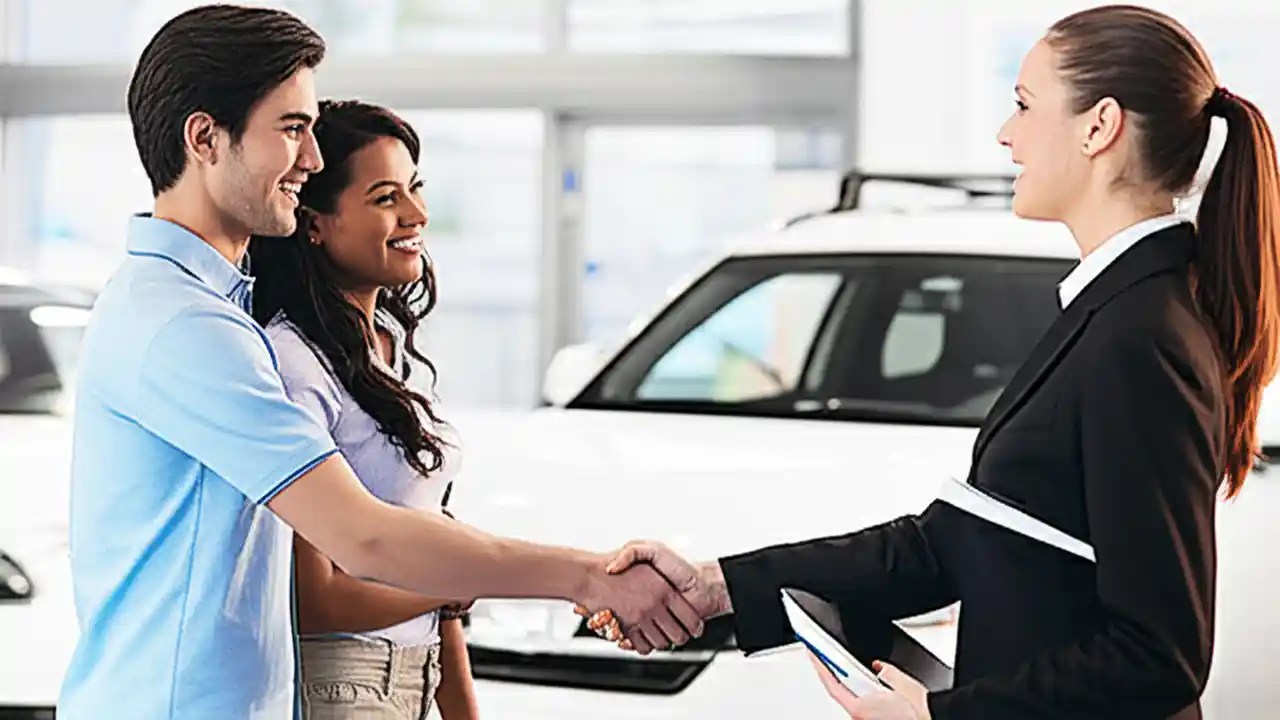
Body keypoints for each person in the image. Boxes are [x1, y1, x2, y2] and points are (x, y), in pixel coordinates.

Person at [596, 5, 1280, 719]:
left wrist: (935, 717)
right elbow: (951, 545)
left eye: (1023, 105)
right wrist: (719, 586)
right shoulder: (1113, 313)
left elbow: (1160, 656)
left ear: (1098, 126)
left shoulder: (1141, 337)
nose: (1005, 134)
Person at [61, 6, 699, 718]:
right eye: (293, 129)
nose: (312, 159)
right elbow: (360, 535)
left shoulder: (206, 310)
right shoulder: (184, 325)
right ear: (206, 138)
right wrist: (587, 576)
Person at [246, 99, 475, 719]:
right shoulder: (292, 362)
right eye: (384, 198)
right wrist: (453, 581)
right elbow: (313, 601)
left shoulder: (393, 350)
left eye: (415, 189)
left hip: (417, 674)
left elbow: (438, 552)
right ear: (315, 222)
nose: (417, 215)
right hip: (341, 685)